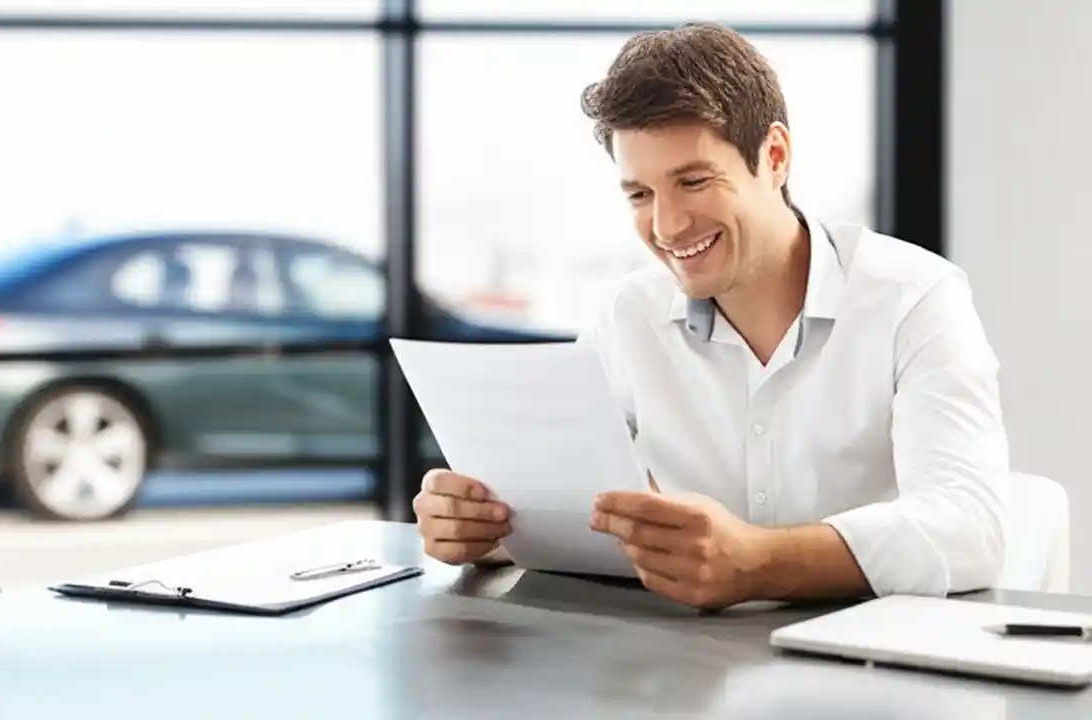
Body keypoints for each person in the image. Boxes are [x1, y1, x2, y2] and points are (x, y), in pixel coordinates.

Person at [411, 23, 1008, 609]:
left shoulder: (914, 296)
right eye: (640, 195)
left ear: (774, 156)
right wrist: (485, 528)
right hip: (672, 677)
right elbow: (578, 513)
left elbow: (969, 526)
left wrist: (758, 562)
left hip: (869, 671)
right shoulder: (626, 316)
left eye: (693, 182)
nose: (668, 227)